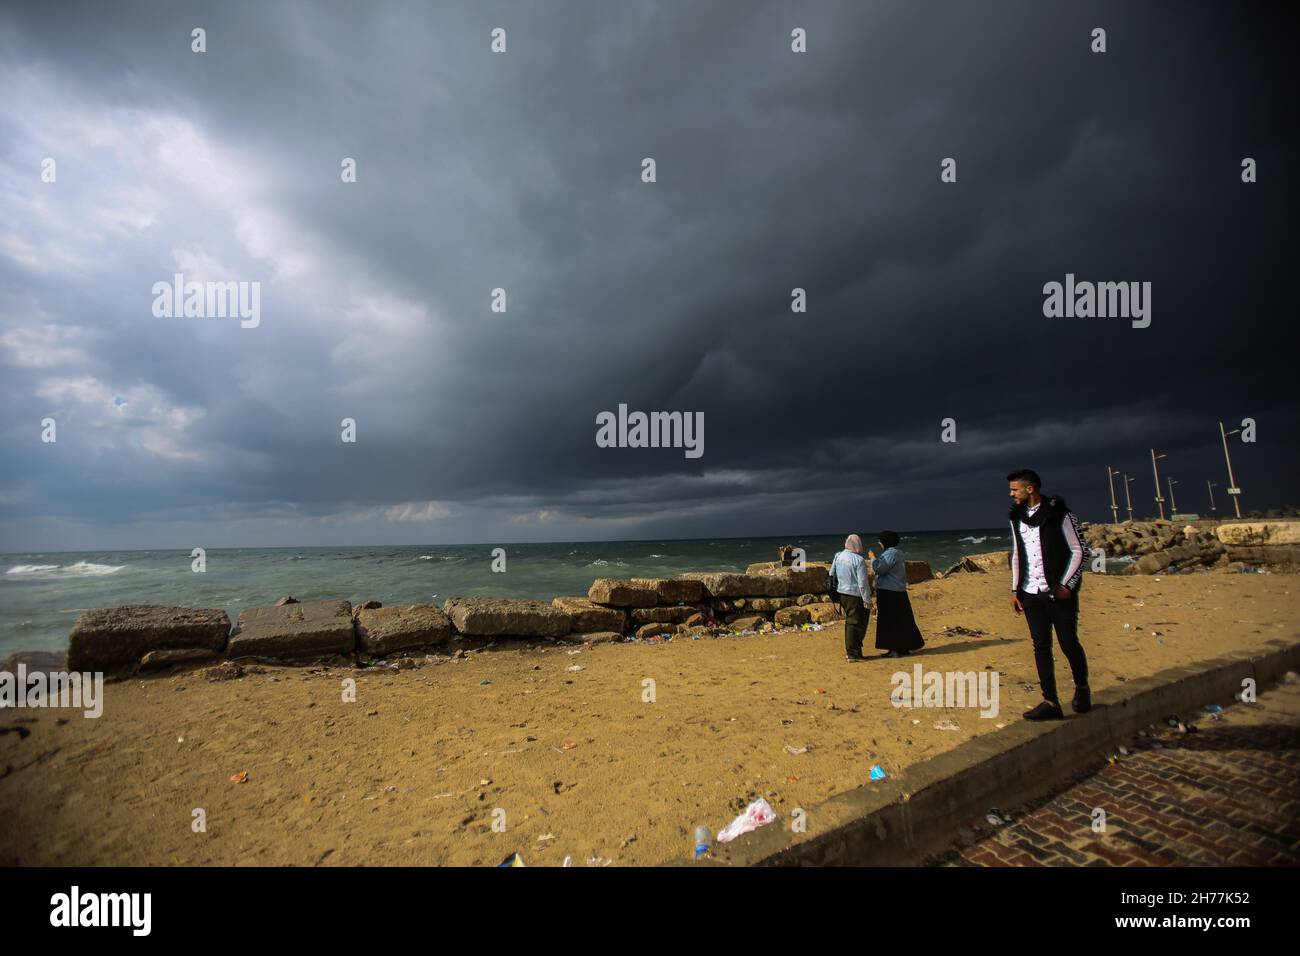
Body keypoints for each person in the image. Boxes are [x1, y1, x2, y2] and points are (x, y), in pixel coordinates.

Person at [1006, 468, 1090, 720]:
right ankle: (1050, 701)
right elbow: (1017, 554)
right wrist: (1015, 589)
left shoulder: (1060, 515)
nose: (1011, 494)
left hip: (1057, 592)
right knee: (1041, 646)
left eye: (1014, 489)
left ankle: (1082, 688)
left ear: (1030, 488)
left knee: (1068, 642)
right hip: (1030, 592)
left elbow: (1080, 551)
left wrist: (1066, 584)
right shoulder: (1017, 518)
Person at [867, 531, 924, 658]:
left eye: (880, 541)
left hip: (889, 592)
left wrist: (872, 558)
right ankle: (901, 648)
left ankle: (895, 649)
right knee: (902, 620)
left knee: (890, 621)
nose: (879, 543)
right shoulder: (897, 553)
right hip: (897, 591)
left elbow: (880, 569)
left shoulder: (891, 553)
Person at [829, 534, 872, 662]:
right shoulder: (858, 560)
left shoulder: (838, 556)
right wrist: (867, 600)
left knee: (850, 622)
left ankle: (855, 651)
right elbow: (863, 583)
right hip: (856, 595)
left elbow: (831, 574)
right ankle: (853, 653)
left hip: (842, 593)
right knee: (857, 623)